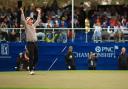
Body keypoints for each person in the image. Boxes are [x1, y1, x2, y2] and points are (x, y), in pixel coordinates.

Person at [20, 7, 41, 75]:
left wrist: (39, 13)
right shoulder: (26, 26)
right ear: (27, 21)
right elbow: (23, 20)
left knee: (36, 57)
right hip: (30, 43)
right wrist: (22, 12)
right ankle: (31, 70)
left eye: (31, 20)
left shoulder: (33, 25)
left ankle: (31, 67)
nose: (31, 21)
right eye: (30, 20)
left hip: (35, 43)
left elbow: (38, 20)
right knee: (31, 57)